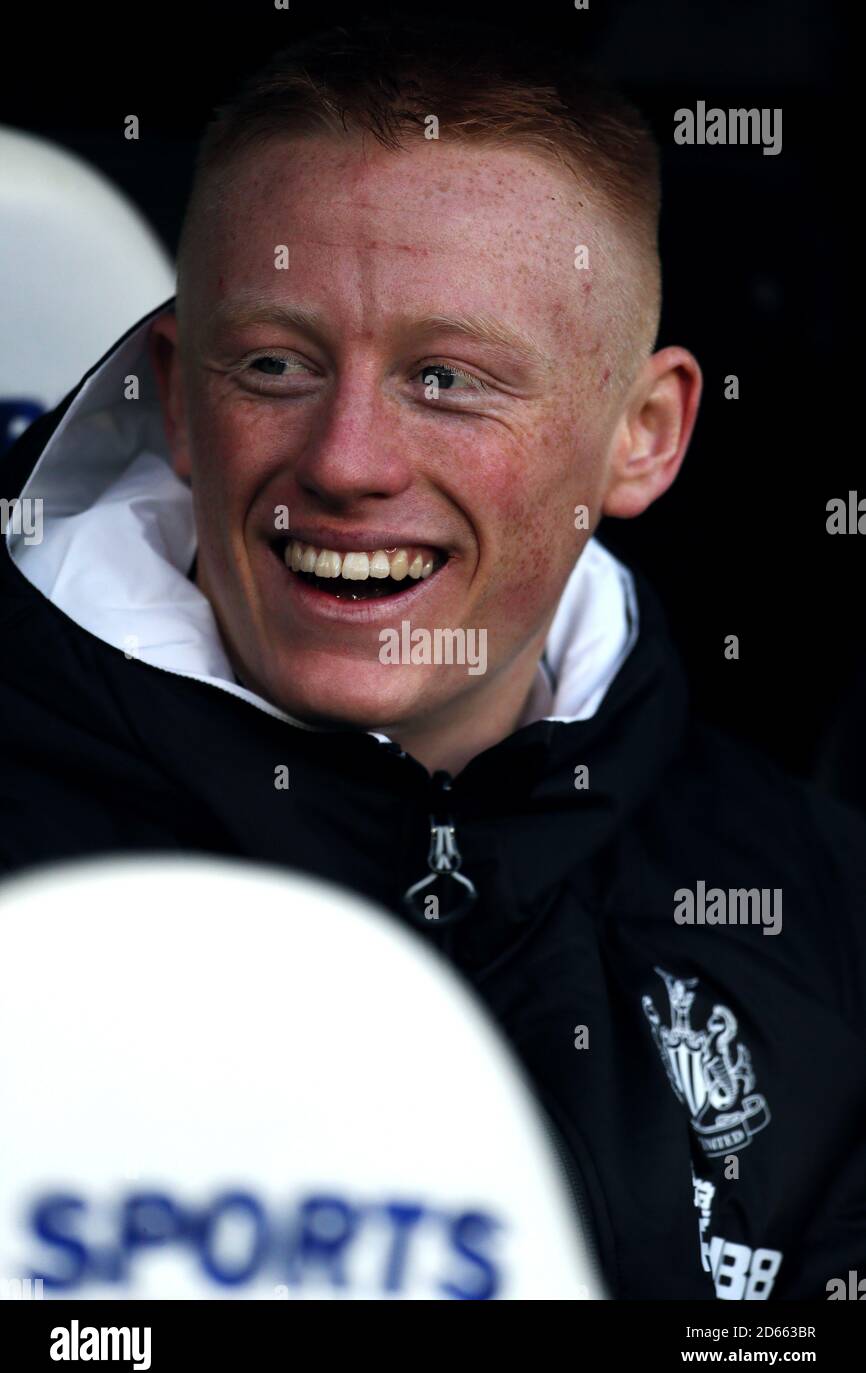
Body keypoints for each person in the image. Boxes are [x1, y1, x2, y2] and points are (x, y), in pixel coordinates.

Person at [1, 19, 864, 1299]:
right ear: (177, 398)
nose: (346, 460)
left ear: (642, 435)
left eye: (448, 378)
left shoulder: (822, 912)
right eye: (277, 364)